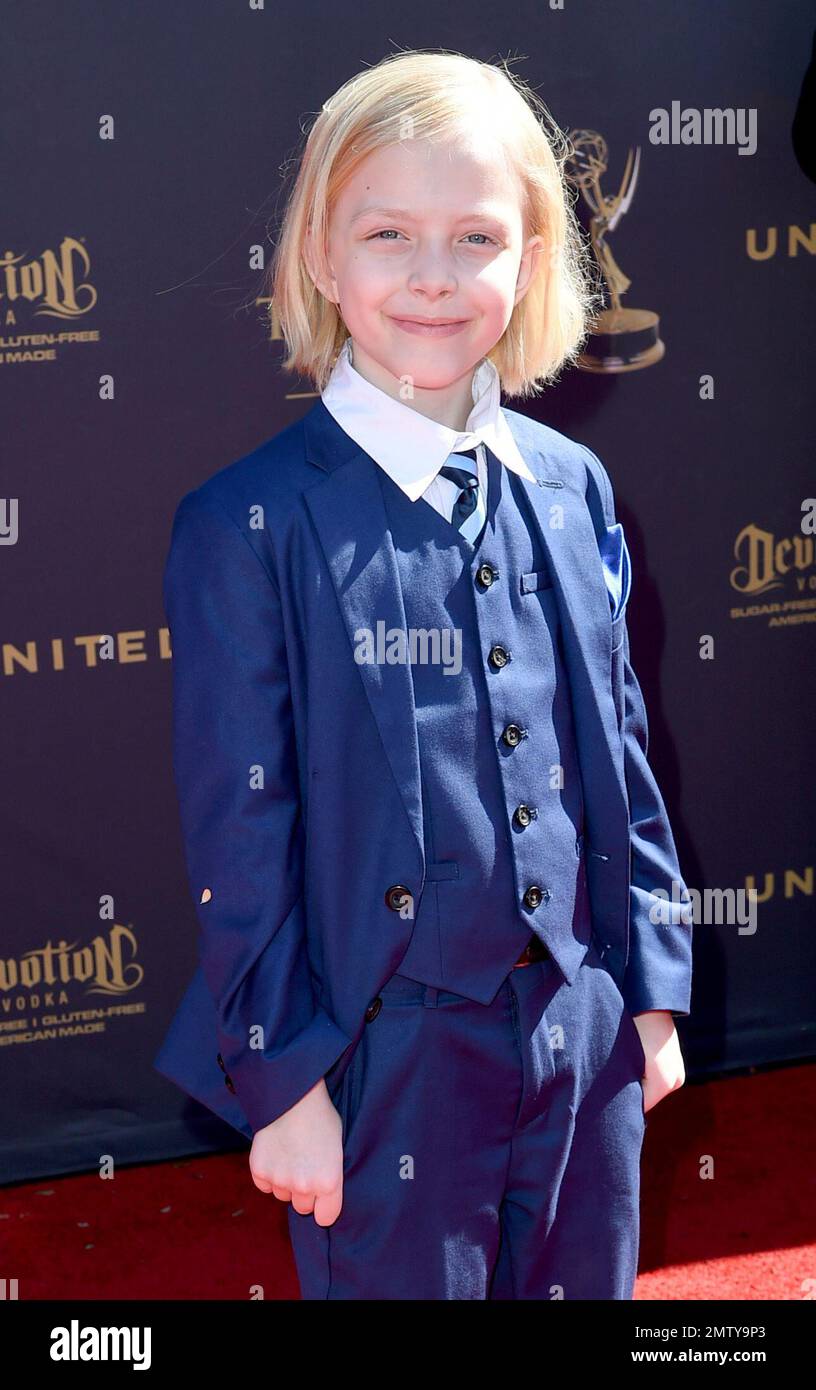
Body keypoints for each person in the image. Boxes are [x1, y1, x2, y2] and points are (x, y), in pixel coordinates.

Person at [154, 49, 693, 1300]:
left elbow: (621, 754)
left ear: (534, 260)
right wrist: (284, 1083)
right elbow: (241, 826)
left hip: (582, 1030)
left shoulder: (571, 486)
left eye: (477, 237)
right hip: (380, 1062)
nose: (435, 278)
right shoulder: (250, 522)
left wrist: (650, 996)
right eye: (389, 233)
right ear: (322, 259)